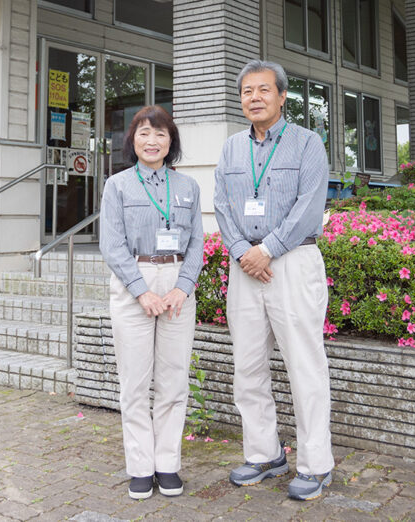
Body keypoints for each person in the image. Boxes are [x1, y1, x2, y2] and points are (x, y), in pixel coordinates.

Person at [213, 60, 334, 501]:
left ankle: (316, 464)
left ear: (282, 97)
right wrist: (245, 251)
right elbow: (223, 205)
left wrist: (268, 249)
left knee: (304, 364)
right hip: (245, 266)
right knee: (247, 366)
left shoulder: (307, 143)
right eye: (247, 91)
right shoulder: (230, 149)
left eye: (264, 90)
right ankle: (265, 454)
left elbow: (309, 203)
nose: (255, 98)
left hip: (292, 261)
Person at [100, 105, 203, 500]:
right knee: (135, 383)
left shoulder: (188, 188)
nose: (152, 141)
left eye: (160, 134)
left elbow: (196, 241)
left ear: (170, 142)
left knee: (174, 380)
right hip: (134, 283)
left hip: (177, 283)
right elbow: (111, 244)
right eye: (144, 133)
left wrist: (183, 286)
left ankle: (168, 464)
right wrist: (141, 291)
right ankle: (141, 467)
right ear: (133, 140)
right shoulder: (118, 186)